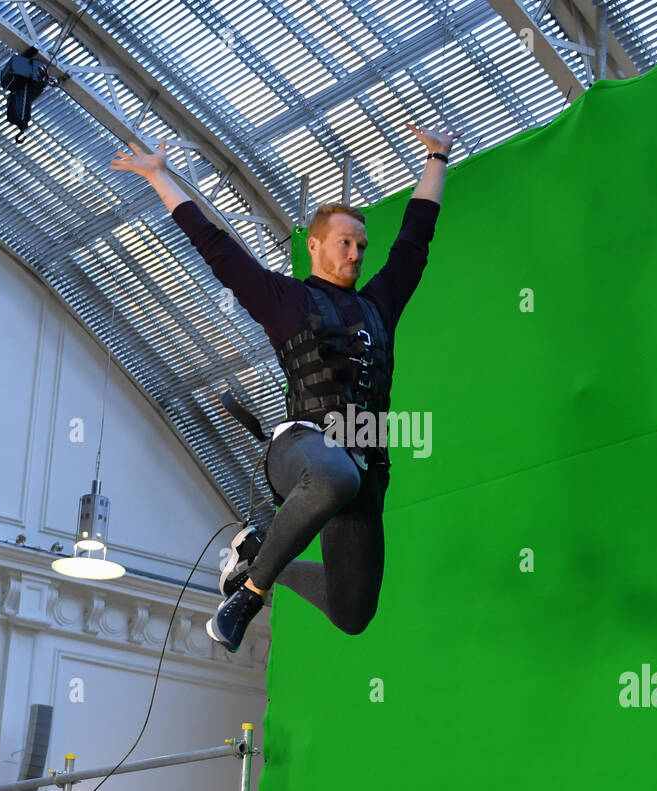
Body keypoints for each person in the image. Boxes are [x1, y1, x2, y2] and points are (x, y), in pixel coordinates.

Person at [111, 122, 454, 652]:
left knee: (353, 611)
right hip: (301, 449)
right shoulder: (283, 299)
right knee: (336, 472)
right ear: (316, 247)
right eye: (346, 243)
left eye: (362, 245)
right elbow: (216, 248)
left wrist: (437, 158)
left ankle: (258, 552)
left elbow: (416, 239)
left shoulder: (379, 304)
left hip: (363, 468)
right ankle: (247, 596)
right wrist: (160, 176)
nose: (357, 254)